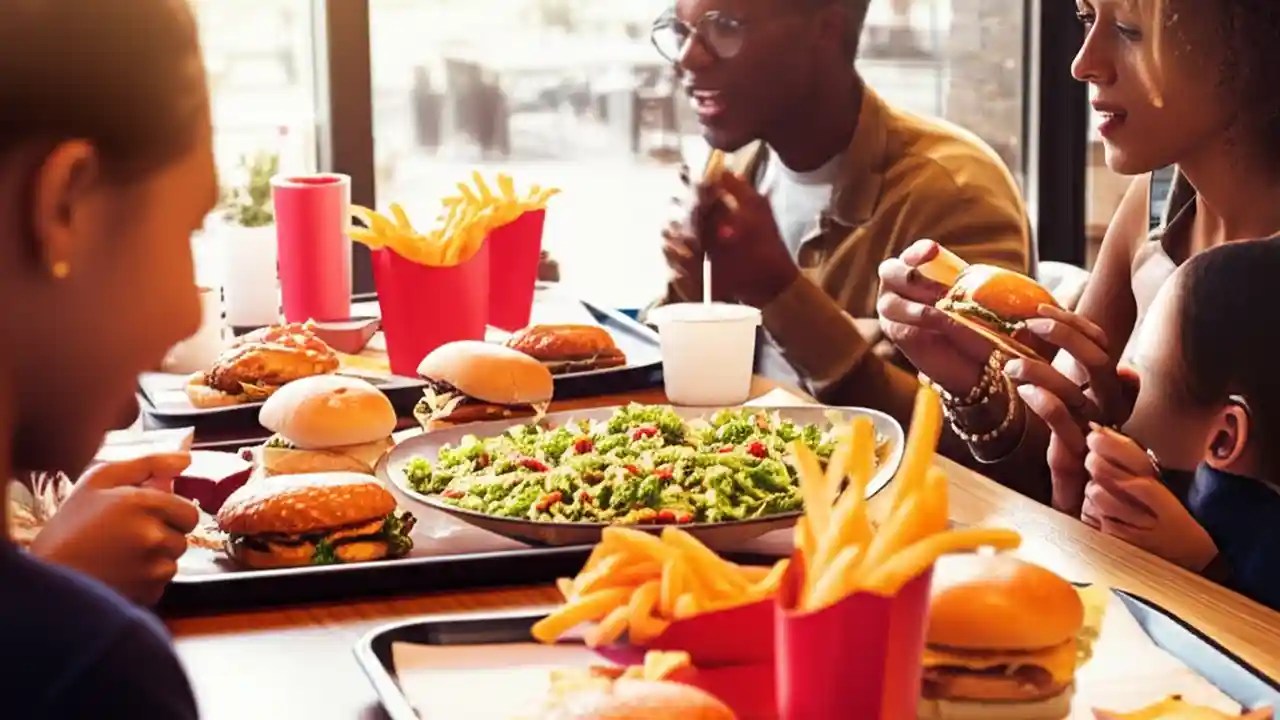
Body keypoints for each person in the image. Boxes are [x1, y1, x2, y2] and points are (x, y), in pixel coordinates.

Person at [877, 0, 1280, 503]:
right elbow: (1055, 461)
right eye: (1087, 18)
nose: (1083, 63)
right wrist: (971, 381)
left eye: (1130, 30)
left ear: (1252, 42)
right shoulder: (1151, 205)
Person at [650, 0, 1030, 425]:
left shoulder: (953, 191)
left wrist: (778, 290)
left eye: (723, 27)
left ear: (825, 30)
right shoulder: (738, 167)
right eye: (681, 32)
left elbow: (990, 430)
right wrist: (692, 289)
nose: (688, 58)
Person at [0, 0, 218, 716]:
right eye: (186, 229)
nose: (188, 313)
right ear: (66, 204)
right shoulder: (95, 673)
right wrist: (60, 617)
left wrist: (44, 579)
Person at [1080, 240, 1280, 610]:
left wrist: (1204, 568)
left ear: (1223, 440)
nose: (1122, 377)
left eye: (1144, 370)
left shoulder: (1263, 543)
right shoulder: (1179, 481)